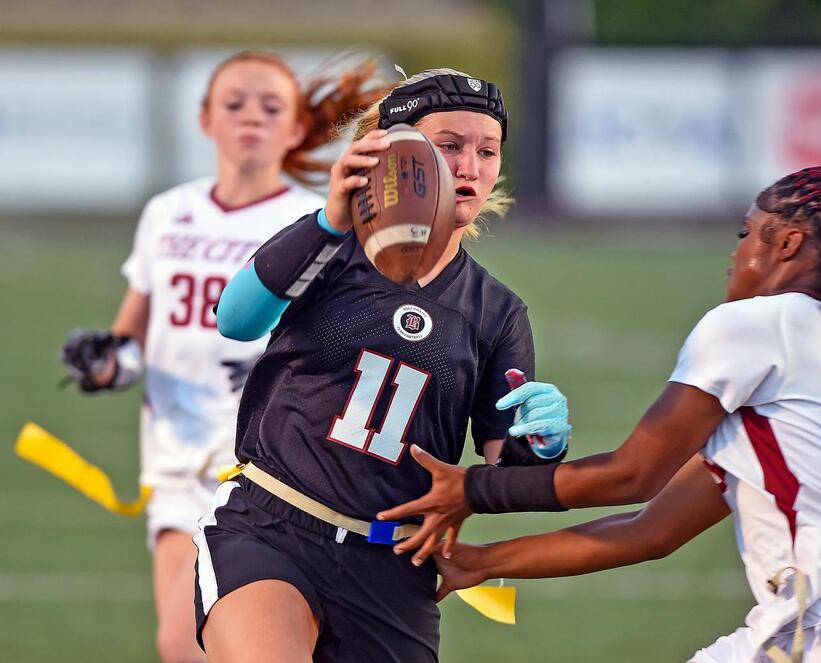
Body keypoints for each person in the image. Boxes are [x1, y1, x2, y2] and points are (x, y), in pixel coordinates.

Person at [381, 166, 821, 661]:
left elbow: (634, 475)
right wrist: (482, 562)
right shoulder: (812, 355)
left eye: (748, 232)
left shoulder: (758, 322)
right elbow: (650, 531)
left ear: (785, 243)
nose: (734, 251)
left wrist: (473, 489)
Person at [194, 69, 569, 663]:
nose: (470, 166)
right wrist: (328, 220)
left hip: (393, 567)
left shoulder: (496, 313)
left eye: (487, 150)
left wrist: (539, 446)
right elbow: (237, 319)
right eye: (448, 147)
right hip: (271, 529)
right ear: (396, 155)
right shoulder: (330, 248)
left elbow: (503, 471)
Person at [58, 51, 386, 663]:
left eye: (271, 108)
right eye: (234, 104)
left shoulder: (310, 220)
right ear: (205, 119)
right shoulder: (166, 214)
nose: (251, 118)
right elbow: (133, 344)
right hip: (180, 466)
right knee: (180, 645)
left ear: (293, 129)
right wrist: (104, 365)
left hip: (273, 468)